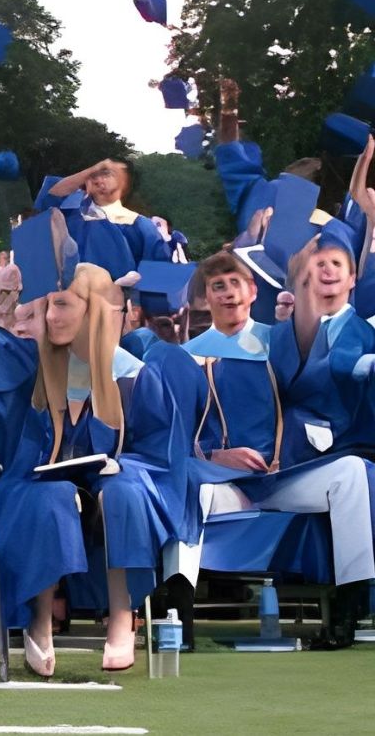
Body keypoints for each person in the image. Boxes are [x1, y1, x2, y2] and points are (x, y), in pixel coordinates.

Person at [151, 250, 375, 651]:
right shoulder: (187, 356)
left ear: (253, 290)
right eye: (217, 286)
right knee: (191, 485)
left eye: (235, 283)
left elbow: (314, 378)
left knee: (352, 473)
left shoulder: (276, 342)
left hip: (278, 477)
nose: (228, 293)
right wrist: (215, 457)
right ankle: (180, 614)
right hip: (222, 483)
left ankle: (348, 608)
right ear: (205, 297)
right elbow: (173, 433)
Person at [0, 260, 175, 674]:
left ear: (95, 310)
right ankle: (40, 616)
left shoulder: (133, 377)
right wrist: (0, 298)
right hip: (33, 484)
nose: (52, 317)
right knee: (52, 495)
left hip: (113, 488)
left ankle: (122, 616)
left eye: (65, 305)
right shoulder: (30, 367)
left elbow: (160, 454)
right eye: (49, 305)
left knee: (125, 491)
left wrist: (125, 467)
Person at [37, 158, 172, 275]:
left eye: (107, 174)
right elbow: (51, 197)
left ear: (125, 182)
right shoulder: (70, 215)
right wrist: (92, 170)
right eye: (94, 174)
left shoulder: (142, 226)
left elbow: (157, 271)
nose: (97, 178)